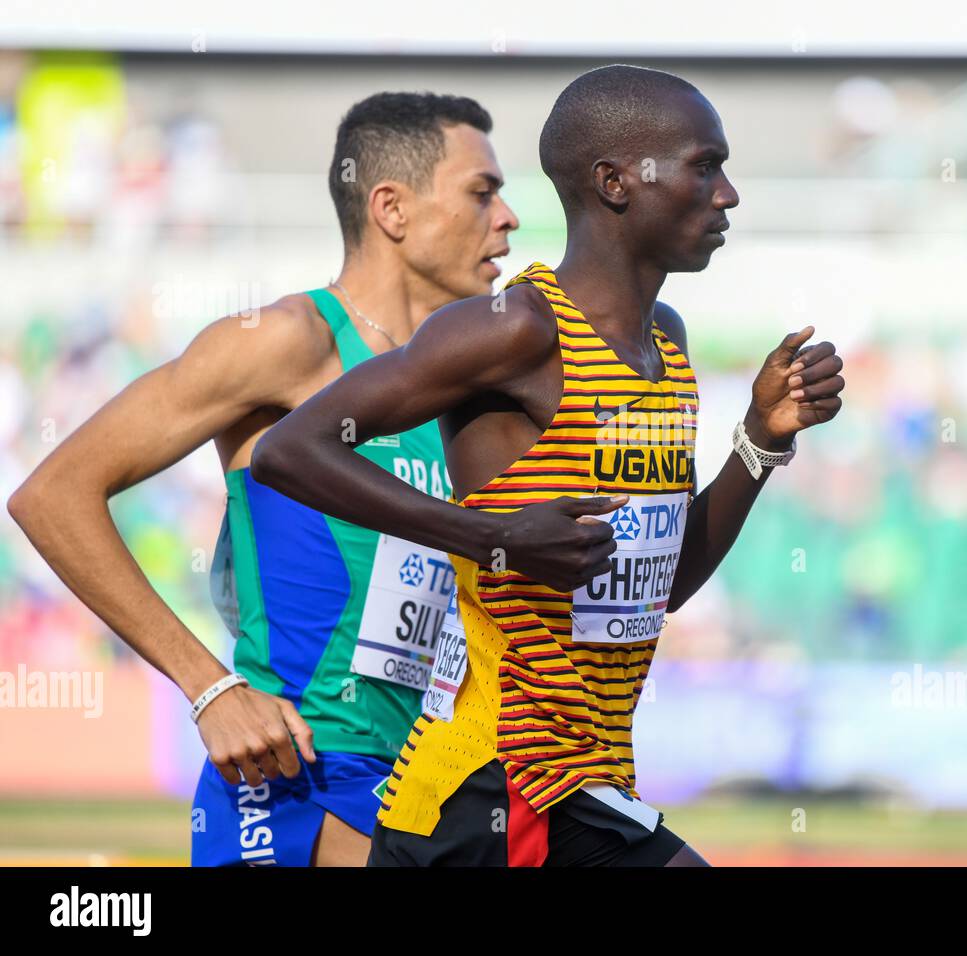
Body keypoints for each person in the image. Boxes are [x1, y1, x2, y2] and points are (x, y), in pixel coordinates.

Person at [252, 64, 845, 866]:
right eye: (705, 166)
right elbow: (292, 450)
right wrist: (489, 535)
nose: (728, 194)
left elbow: (657, 590)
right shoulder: (514, 330)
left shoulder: (665, 342)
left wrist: (760, 440)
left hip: (579, 785)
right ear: (615, 183)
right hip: (500, 788)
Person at [8, 91, 620, 866]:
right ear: (391, 208)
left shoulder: (478, 389)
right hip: (299, 769)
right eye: (481, 191)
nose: (507, 218)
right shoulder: (286, 344)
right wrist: (209, 688)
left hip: (439, 773)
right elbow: (53, 494)